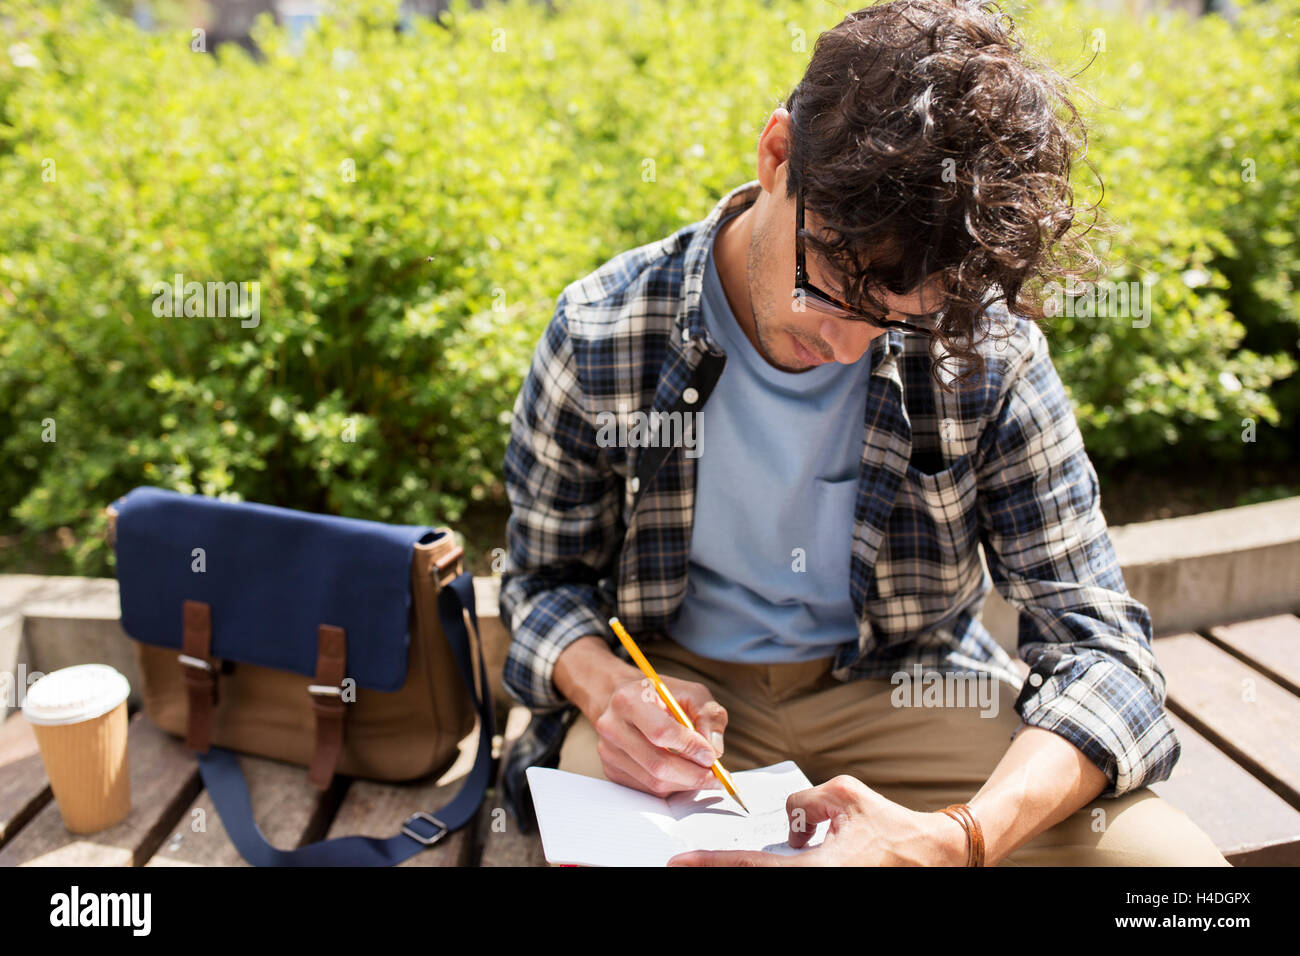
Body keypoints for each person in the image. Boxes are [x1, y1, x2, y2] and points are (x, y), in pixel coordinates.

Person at [498, 0, 1229, 866]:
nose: (845, 344)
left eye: (894, 324)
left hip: (910, 690)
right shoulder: (602, 331)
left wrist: (955, 839)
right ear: (777, 156)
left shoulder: (986, 353)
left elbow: (1103, 649)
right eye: (835, 286)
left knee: (1177, 878)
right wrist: (608, 688)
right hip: (683, 710)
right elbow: (542, 582)